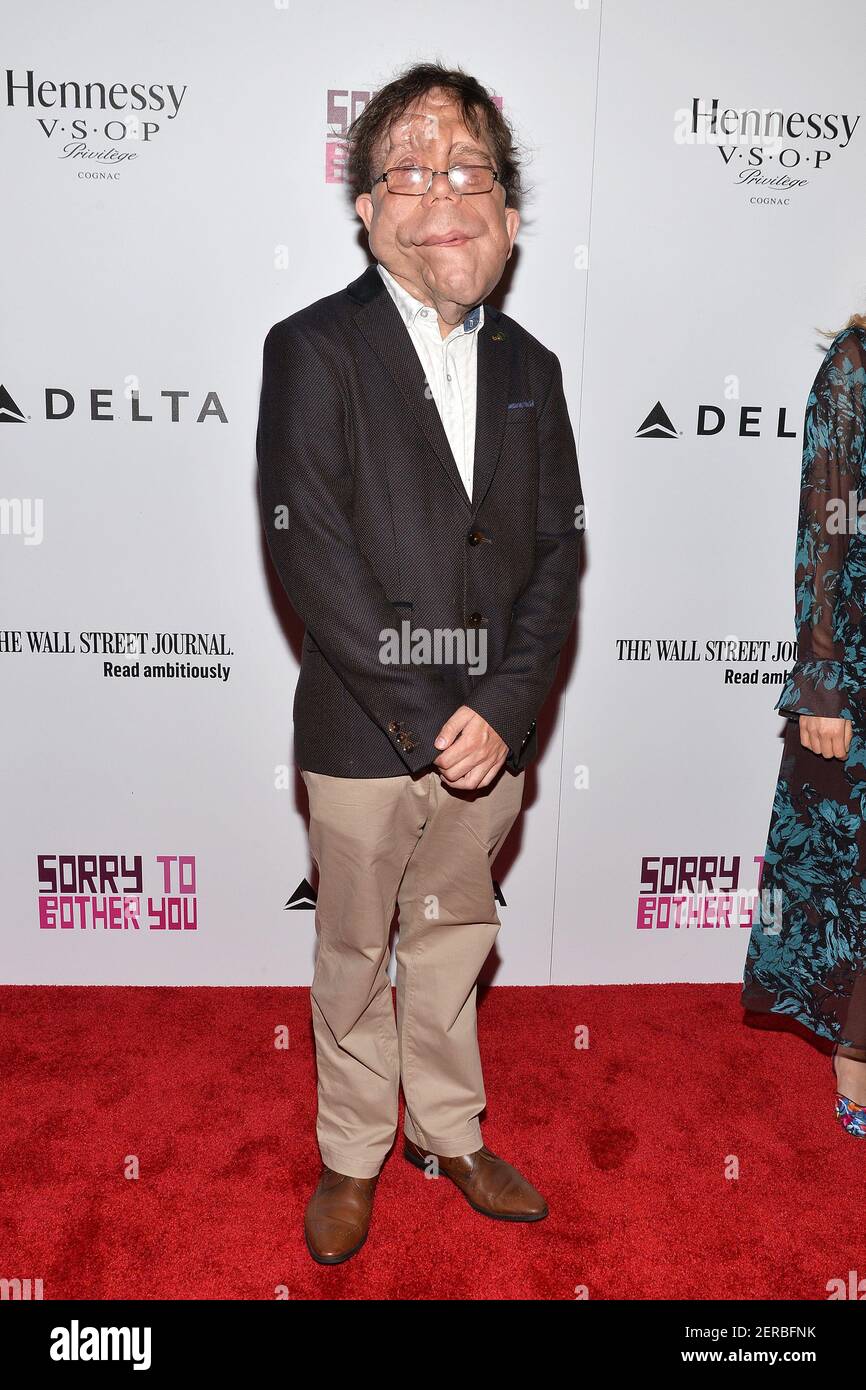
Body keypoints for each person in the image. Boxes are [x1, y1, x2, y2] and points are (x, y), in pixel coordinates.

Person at [255, 62, 585, 1262]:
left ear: (505, 217)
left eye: (470, 173)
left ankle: (447, 1130)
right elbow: (314, 557)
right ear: (364, 207)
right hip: (358, 731)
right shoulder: (311, 349)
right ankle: (351, 1150)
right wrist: (428, 712)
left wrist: (497, 710)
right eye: (410, 170)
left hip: (490, 744)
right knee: (351, 948)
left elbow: (556, 553)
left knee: (451, 936)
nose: (441, 194)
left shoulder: (534, 371)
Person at [742, 313, 866, 1136]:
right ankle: (857, 1065)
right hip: (857, 661)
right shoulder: (857, 365)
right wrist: (821, 682)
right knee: (851, 879)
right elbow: (826, 522)